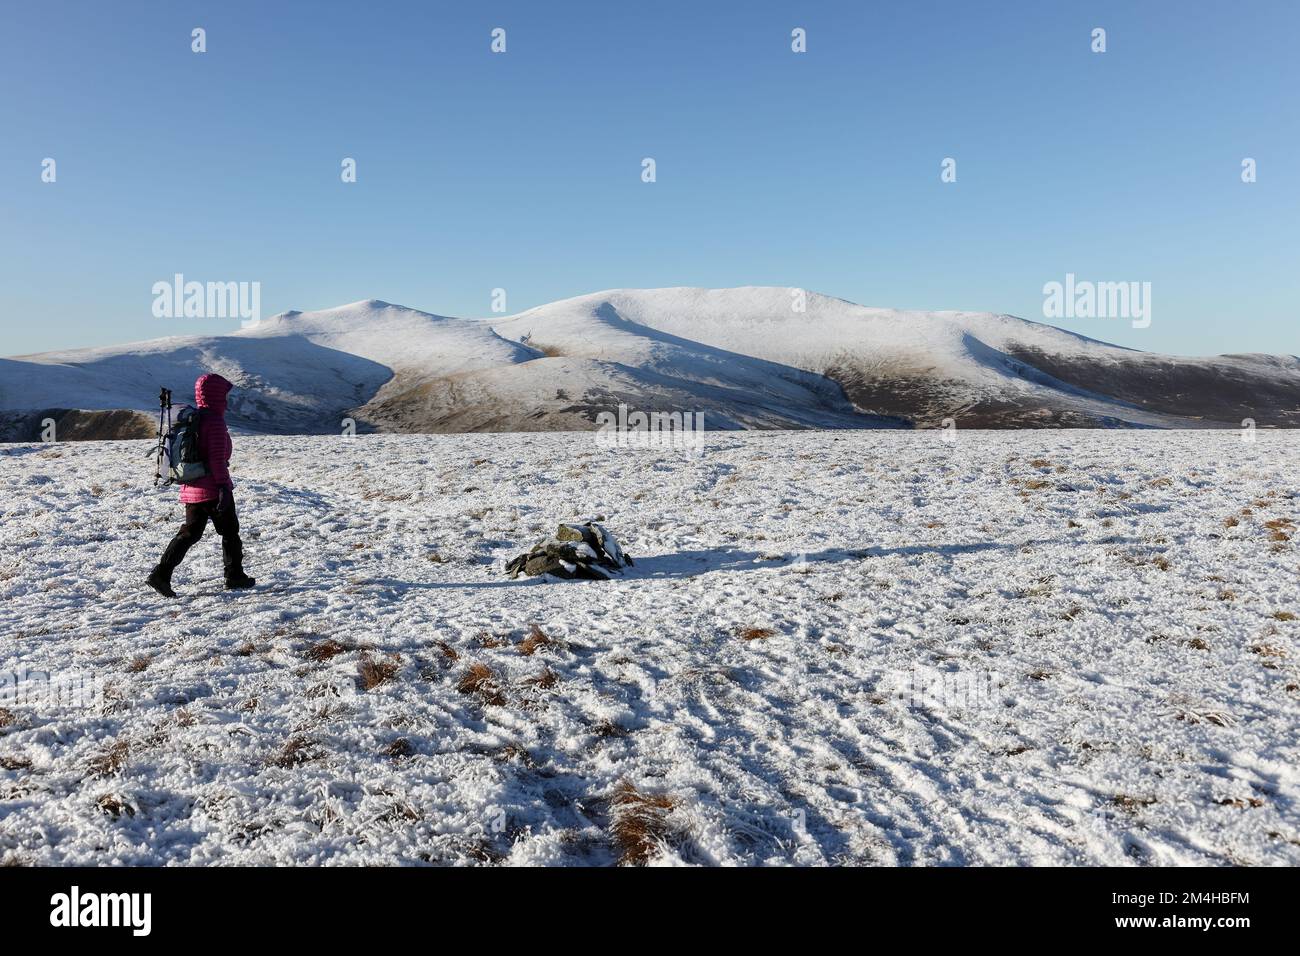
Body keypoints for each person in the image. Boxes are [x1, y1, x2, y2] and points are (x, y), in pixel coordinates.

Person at [146, 373, 255, 597]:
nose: (226, 400)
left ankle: (161, 573)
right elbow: (216, 459)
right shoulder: (214, 421)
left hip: (191, 489)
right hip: (213, 488)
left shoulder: (194, 418)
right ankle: (234, 576)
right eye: (224, 395)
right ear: (216, 395)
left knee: (189, 534)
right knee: (230, 532)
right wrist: (224, 487)